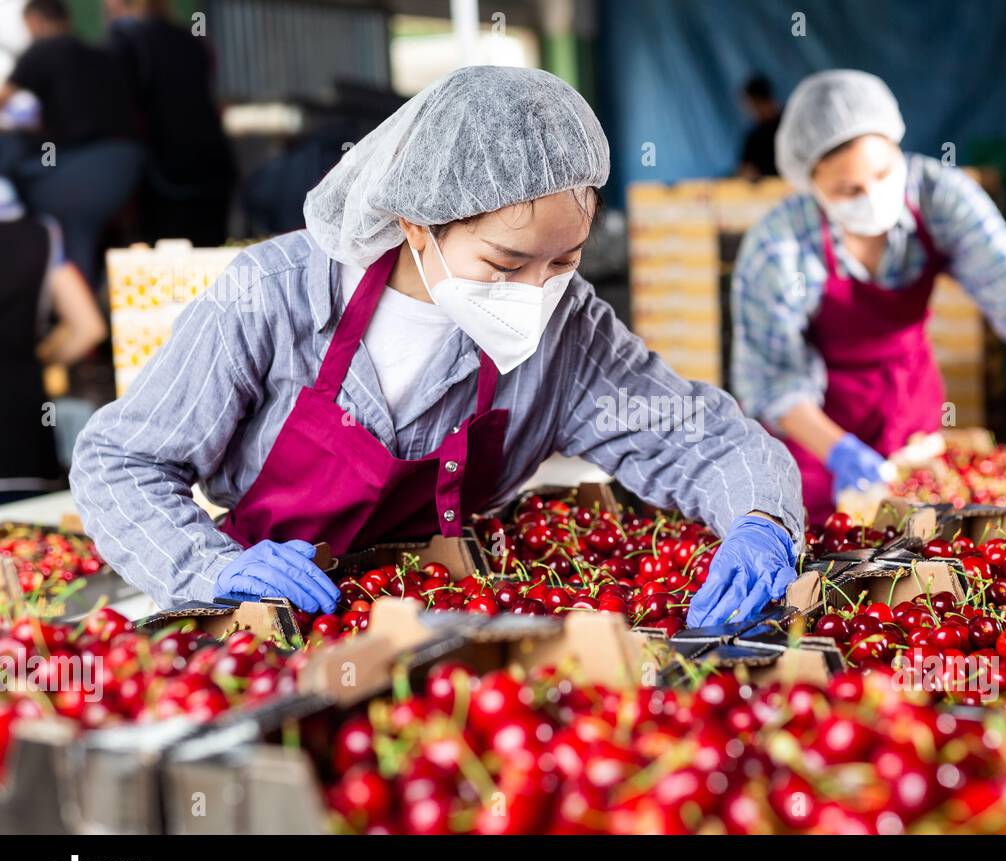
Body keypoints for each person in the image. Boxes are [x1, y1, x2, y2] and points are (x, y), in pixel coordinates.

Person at [71, 66, 802, 628]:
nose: (540, 290)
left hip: (444, 628)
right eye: (509, 265)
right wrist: (207, 567)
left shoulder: (568, 328)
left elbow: (700, 439)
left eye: (566, 260)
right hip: (261, 628)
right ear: (417, 226)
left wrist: (761, 522)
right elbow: (121, 463)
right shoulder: (273, 295)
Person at [730, 70, 1006, 523]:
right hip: (818, 432)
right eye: (848, 190)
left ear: (898, 146)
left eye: (883, 173)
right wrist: (838, 451)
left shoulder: (941, 199)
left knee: (926, 545)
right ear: (811, 183)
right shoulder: (779, 246)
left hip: (909, 409)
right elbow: (771, 381)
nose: (873, 195)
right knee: (827, 549)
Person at [0, 0, 144, 288]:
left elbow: (4, 97)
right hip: (129, 164)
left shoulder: (42, 49)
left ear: (35, 22)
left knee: (19, 172)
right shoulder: (100, 53)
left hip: (81, 170)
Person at [0, 177, 106, 503]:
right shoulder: (40, 235)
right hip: (21, 435)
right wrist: (43, 359)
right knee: (26, 546)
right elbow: (88, 327)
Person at [103, 0, 236, 245]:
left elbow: (116, 107)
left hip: (165, 175)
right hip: (212, 167)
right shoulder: (191, 39)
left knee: (167, 269)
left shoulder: (125, 40)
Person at [736, 74, 781, 179]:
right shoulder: (753, 137)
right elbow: (744, 169)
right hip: (768, 193)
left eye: (749, 105)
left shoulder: (790, 124)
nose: (747, 111)